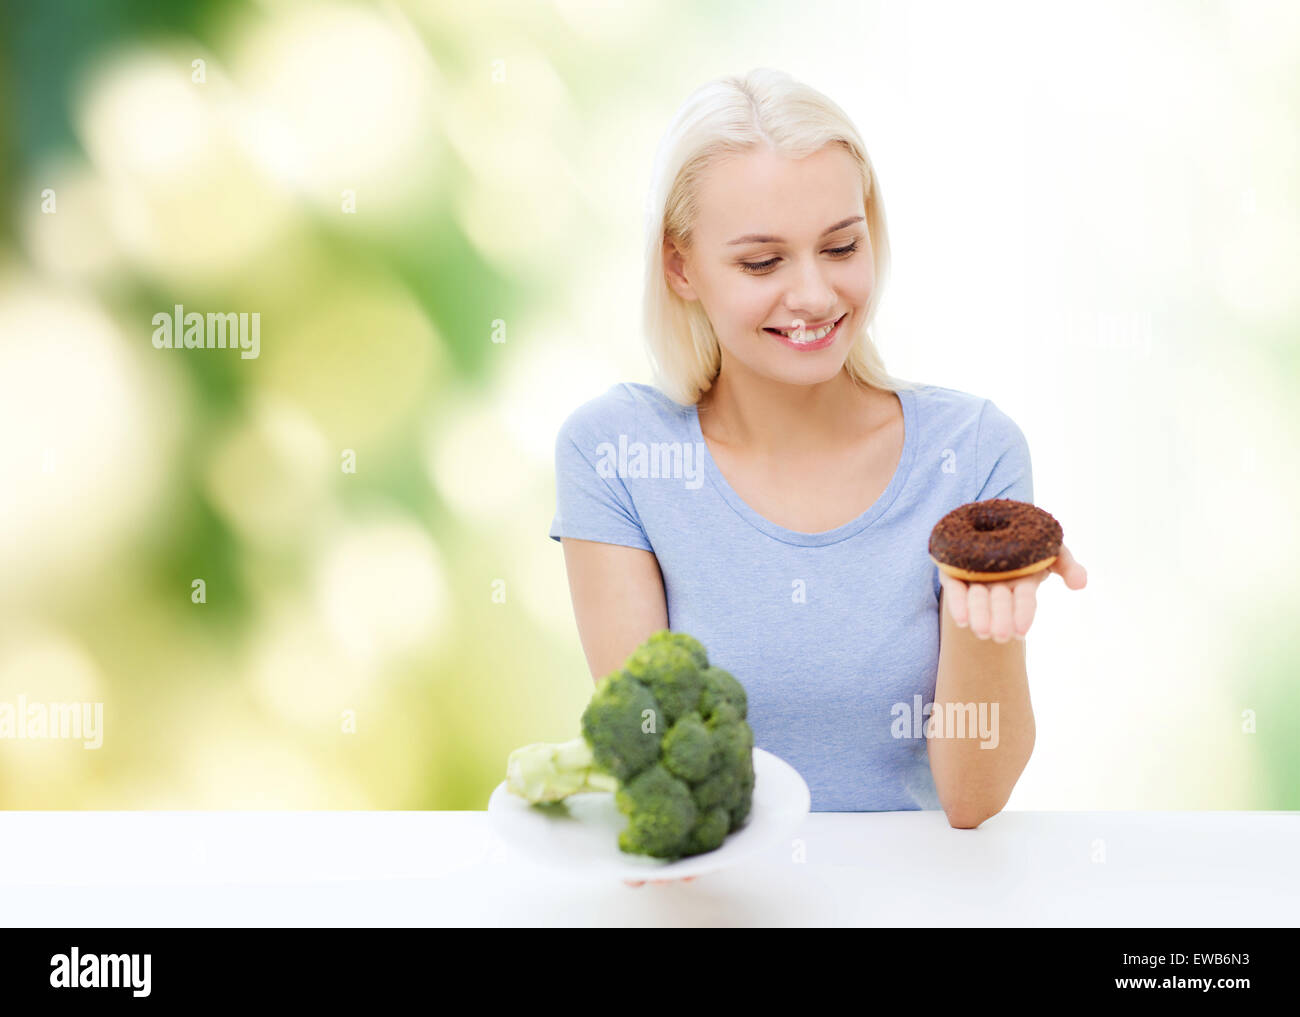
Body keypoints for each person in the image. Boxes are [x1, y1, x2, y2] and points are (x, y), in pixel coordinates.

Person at [548, 69, 1086, 886]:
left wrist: (988, 611)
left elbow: (973, 800)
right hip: (713, 901)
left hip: (917, 900)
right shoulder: (615, 453)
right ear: (682, 268)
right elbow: (655, 758)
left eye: (841, 246)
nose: (813, 294)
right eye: (762, 261)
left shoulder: (972, 450)